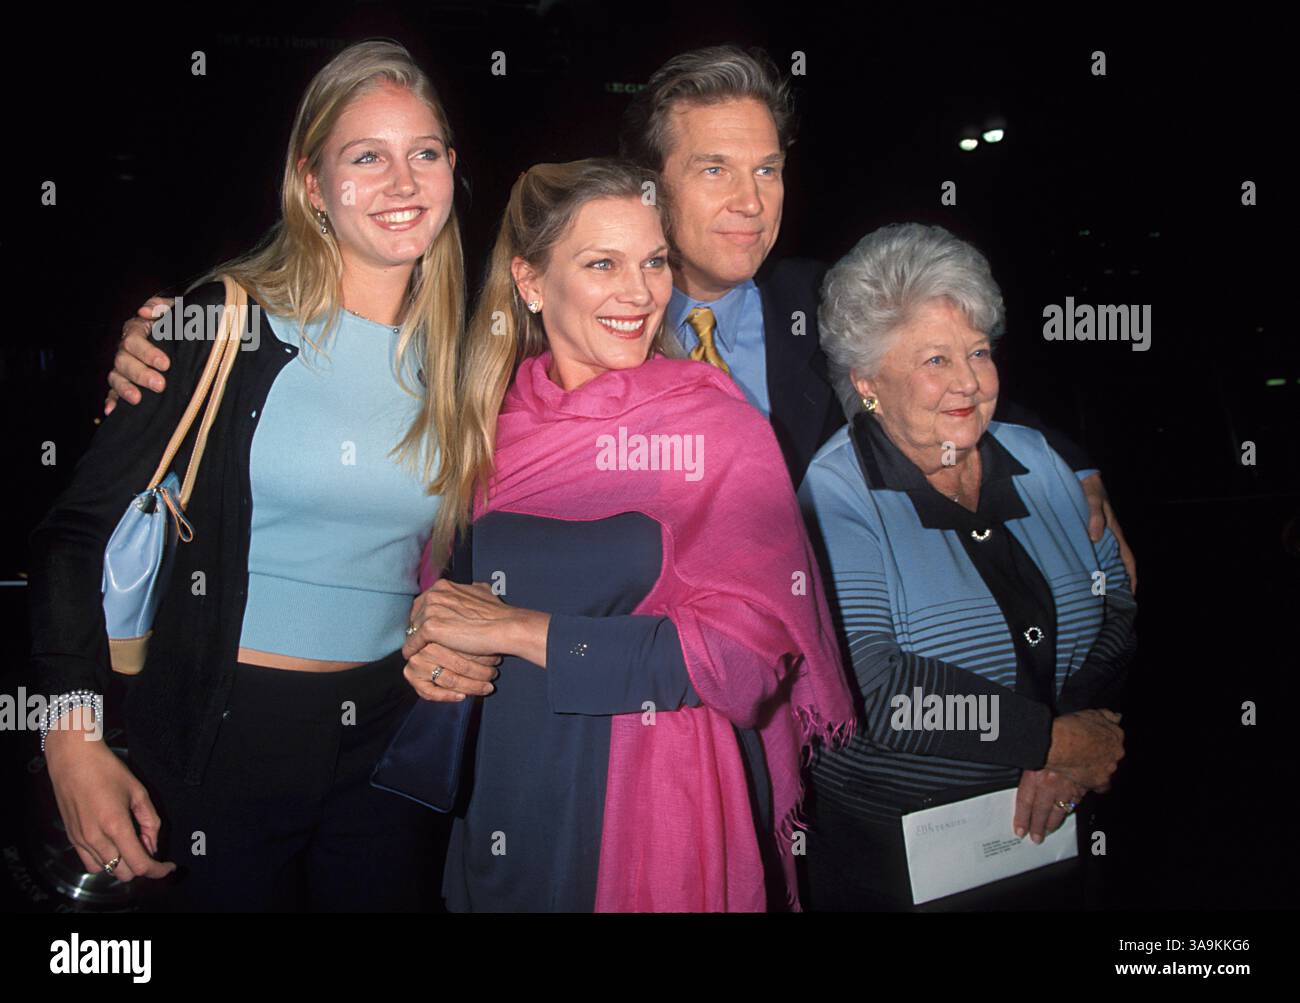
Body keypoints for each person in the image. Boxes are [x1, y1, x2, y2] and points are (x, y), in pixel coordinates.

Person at [28, 40, 498, 911]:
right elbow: (72, 534)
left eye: (423, 153)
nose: (403, 181)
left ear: (450, 169)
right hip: (221, 733)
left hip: (390, 736)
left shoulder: (470, 359)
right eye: (367, 157)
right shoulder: (218, 324)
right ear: (313, 185)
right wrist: (68, 734)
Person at [401, 158, 855, 911]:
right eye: (602, 263)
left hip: (655, 805)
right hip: (506, 797)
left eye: (653, 262)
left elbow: (746, 658)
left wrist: (521, 629)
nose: (640, 293)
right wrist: (431, 643)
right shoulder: (489, 429)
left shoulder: (718, 428)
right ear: (532, 281)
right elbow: (443, 592)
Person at [618, 45, 1136, 588]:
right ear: (647, 184)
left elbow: (950, 385)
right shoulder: (594, 331)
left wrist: (1073, 470)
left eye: (767, 170)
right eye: (715, 169)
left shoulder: (824, 297)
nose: (751, 201)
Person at [795, 222, 1136, 910]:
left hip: (1054, 836)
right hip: (902, 866)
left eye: (978, 351)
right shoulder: (834, 491)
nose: (970, 382)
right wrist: (1048, 738)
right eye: (934, 360)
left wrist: (1068, 750)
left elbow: (1117, 601)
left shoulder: (1038, 456)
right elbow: (874, 687)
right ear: (867, 382)